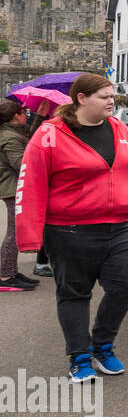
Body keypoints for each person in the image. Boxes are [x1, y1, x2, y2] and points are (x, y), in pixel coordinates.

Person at [16, 73, 128, 380]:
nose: (112, 101)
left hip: (120, 227)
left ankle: (103, 346)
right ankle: (79, 356)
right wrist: (29, 234)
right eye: (104, 96)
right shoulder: (49, 134)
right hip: (70, 230)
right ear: (81, 98)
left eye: (112, 96)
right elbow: (31, 185)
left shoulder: (120, 129)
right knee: (74, 294)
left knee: (124, 287)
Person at [0, 100, 37, 291]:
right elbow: (21, 163)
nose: (27, 116)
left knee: (15, 231)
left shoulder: (12, 133)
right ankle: (5, 276)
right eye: (25, 113)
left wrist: (40, 116)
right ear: (16, 116)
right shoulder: (9, 137)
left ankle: (11, 271)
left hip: (15, 187)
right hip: (13, 188)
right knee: (14, 232)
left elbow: (29, 135)